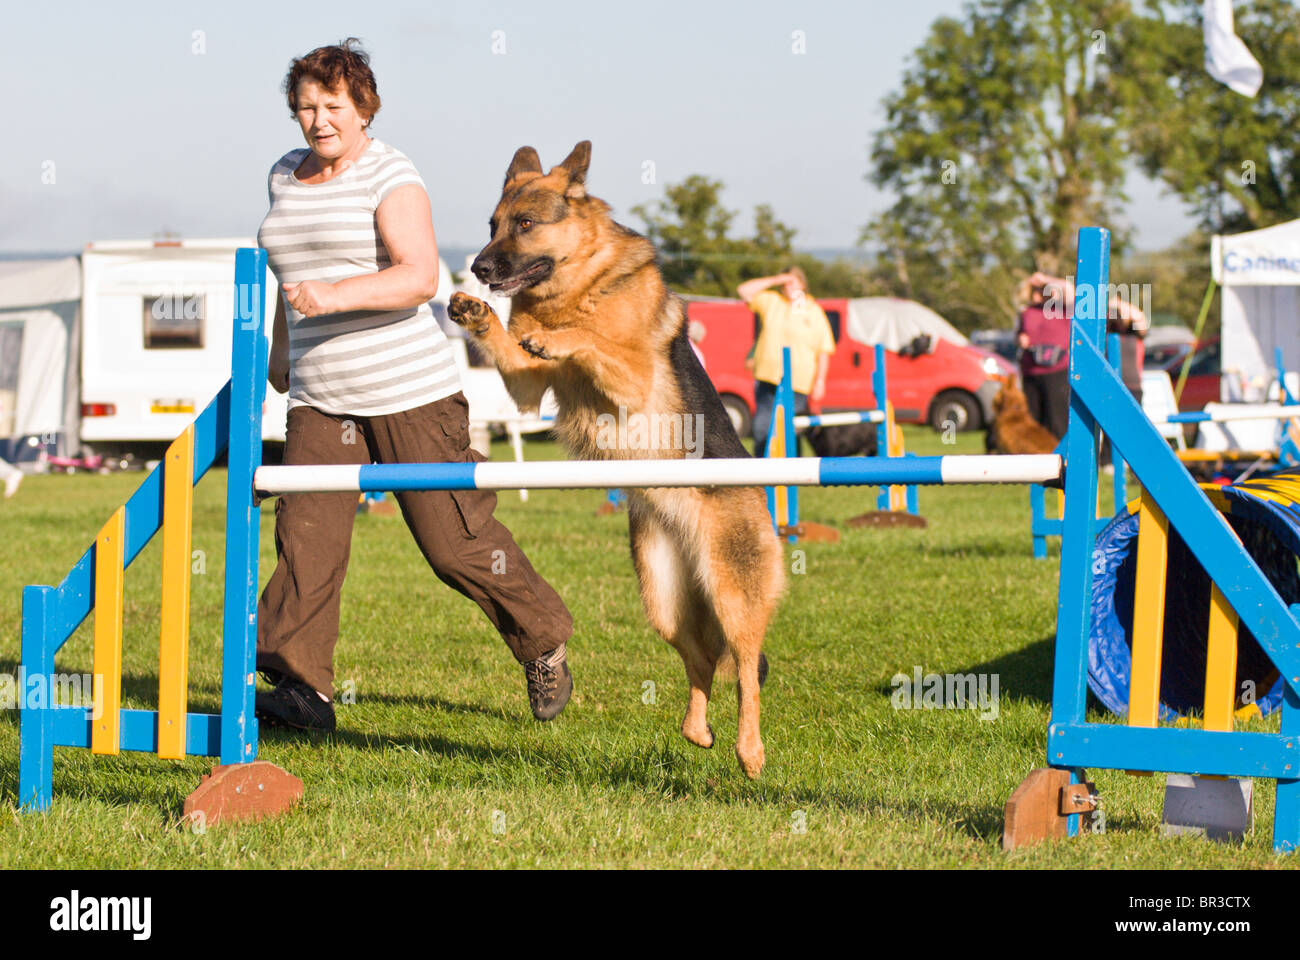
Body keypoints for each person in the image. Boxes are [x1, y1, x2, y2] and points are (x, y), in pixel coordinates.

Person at [254, 40, 574, 733]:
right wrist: (280, 359)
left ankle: (542, 637)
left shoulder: (390, 172)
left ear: (362, 105)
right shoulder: (283, 175)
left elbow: (418, 275)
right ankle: (302, 692)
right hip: (318, 393)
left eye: (332, 105)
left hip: (409, 390)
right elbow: (287, 280)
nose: (317, 120)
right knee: (305, 540)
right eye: (305, 107)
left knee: (453, 543)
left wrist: (333, 296)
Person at [736, 267, 835, 451]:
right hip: (768, 378)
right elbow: (744, 290)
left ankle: (792, 475)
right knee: (762, 429)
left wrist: (820, 381)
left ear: (803, 285)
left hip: (798, 383)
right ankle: (763, 475)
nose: (788, 285)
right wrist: (776, 278)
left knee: (790, 430)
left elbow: (824, 349)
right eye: (785, 282)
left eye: (793, 281)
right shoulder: (772, 302)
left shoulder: (814, 311)